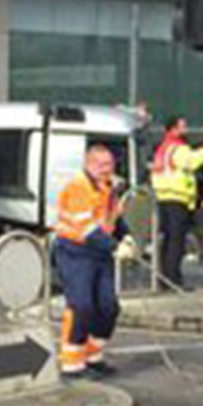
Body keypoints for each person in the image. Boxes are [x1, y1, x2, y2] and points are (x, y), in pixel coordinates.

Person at [53, 144, 133, 378]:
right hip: (75, 252)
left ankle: (93, 356)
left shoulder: (108, 188)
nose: (106, 169)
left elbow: (113, 219)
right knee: (82, 306)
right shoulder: (78, 188)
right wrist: (116, 247)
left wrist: (125, 236)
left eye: (109, 164)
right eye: (101, 165)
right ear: (88, 164)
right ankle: (71, 364)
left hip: (99, 253)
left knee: (108, 307)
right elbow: (86, 229)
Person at [149, 117, 203, 290]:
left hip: (164, 198)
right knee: (176, 241)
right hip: (177, 198)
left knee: (168, 241)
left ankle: (164, 279)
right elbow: (190, 162)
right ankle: (173, 280)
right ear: (173, 129)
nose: (186, 129)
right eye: (183, 126)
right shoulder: (178, 147)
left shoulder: (163, 148)